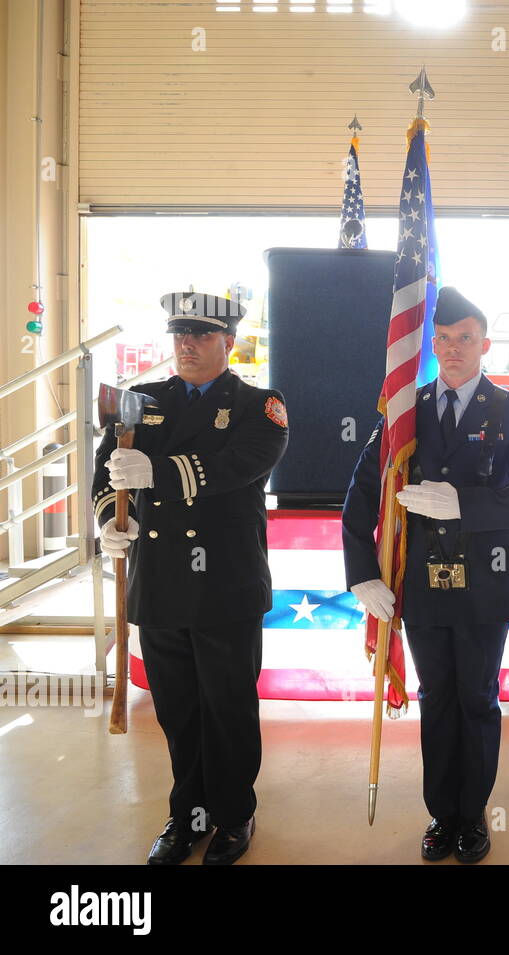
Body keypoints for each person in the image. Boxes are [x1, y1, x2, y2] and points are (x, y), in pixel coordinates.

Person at [341, 287, 509, 865]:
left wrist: (462, 504)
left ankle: (474, 813)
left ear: (485, 344)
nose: (453, 348)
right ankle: (444, 816)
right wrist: (363, 572)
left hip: (485, 580)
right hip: (424, 580)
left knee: (477, 698)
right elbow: (363, 493)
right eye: (443, 339)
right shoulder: (405, 410)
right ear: (431, 345)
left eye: (465, 338)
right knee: (437, 697)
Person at [93, 290, 289, 865]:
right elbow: (108, 475)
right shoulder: (140, 402)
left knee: (226, 707)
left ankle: (232, 815)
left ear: (229, 343)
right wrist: (111, 521)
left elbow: (240, 466)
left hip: (224, 582)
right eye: (180, 334)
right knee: (178, 710)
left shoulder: (260, 405)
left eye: (202, 335)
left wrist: (155, 470)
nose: (188, 344)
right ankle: (188, 815)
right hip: (159, 582)